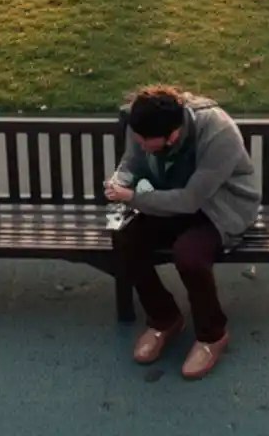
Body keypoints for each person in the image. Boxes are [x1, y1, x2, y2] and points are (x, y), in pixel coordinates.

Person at [106, 85, 260, 380]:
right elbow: (132, 162)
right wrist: (119, 181)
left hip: (220, 207)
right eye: (137, 137)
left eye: (145, 141)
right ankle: (164, 318)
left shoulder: (219, 132)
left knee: (189, 255)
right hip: (171, 200)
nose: (139, 143)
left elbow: (191, 200)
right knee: (125, 237)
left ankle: (212, 335)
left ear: (173, 136)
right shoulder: (142, 123)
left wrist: (132, 197)